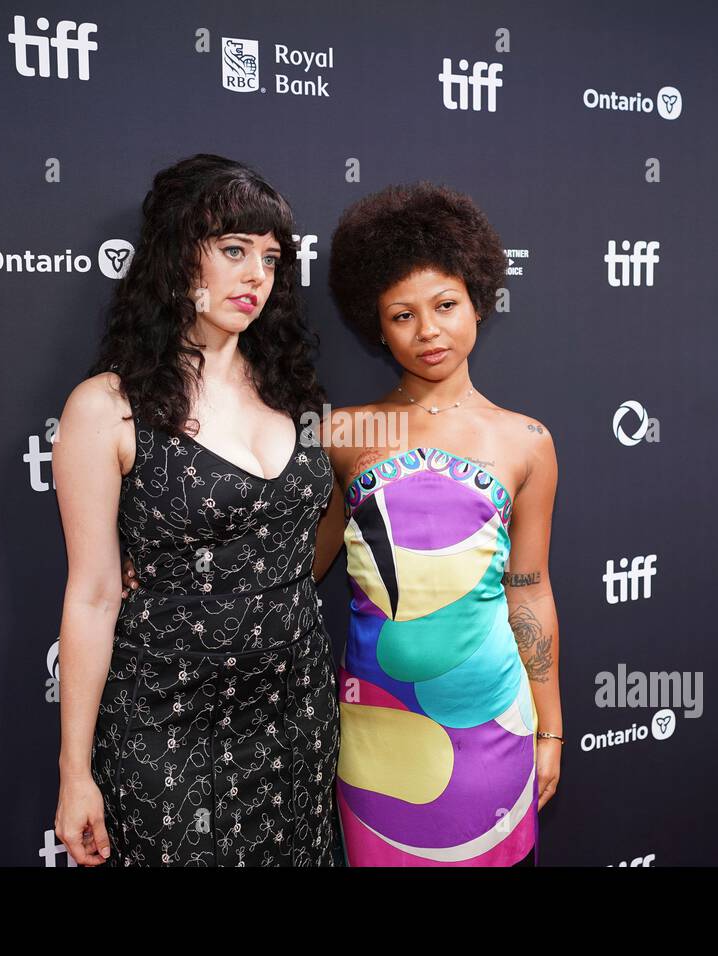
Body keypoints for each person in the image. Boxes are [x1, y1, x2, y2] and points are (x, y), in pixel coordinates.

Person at [53, 153, 341, 867]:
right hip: (170, 716)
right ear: (179, 255)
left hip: (296, 704)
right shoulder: (106, 407)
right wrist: (74, 773)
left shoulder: (294, 394)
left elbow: (305, 539)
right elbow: (91, 596)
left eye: (271, 259)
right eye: (234, 251)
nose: (256, 277)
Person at [319, 181, 563, 865]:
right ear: (376, 325)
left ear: (478, 299)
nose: (428, 331)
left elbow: (531, 589)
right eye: (402, 315)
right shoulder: (343, 433)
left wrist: (550, 730)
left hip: (494, 724)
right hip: (377, 731)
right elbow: (298, 567)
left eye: (446, 305)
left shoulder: (527, 440)